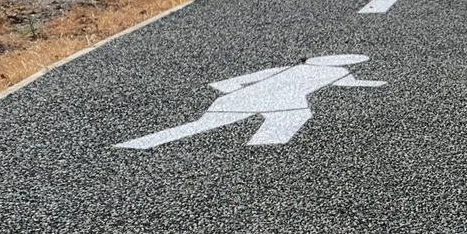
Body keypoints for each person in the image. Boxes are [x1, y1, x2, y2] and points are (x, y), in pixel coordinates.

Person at [115, 54, 385, 149]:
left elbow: (237, 80)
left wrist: (228, 88)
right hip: (270, 98)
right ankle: (264, 146)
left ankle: (145, 142)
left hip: (259, 97)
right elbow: (347, 83)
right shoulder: (338, 71)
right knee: (290, 117)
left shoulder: (335, 72)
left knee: (204, 124)